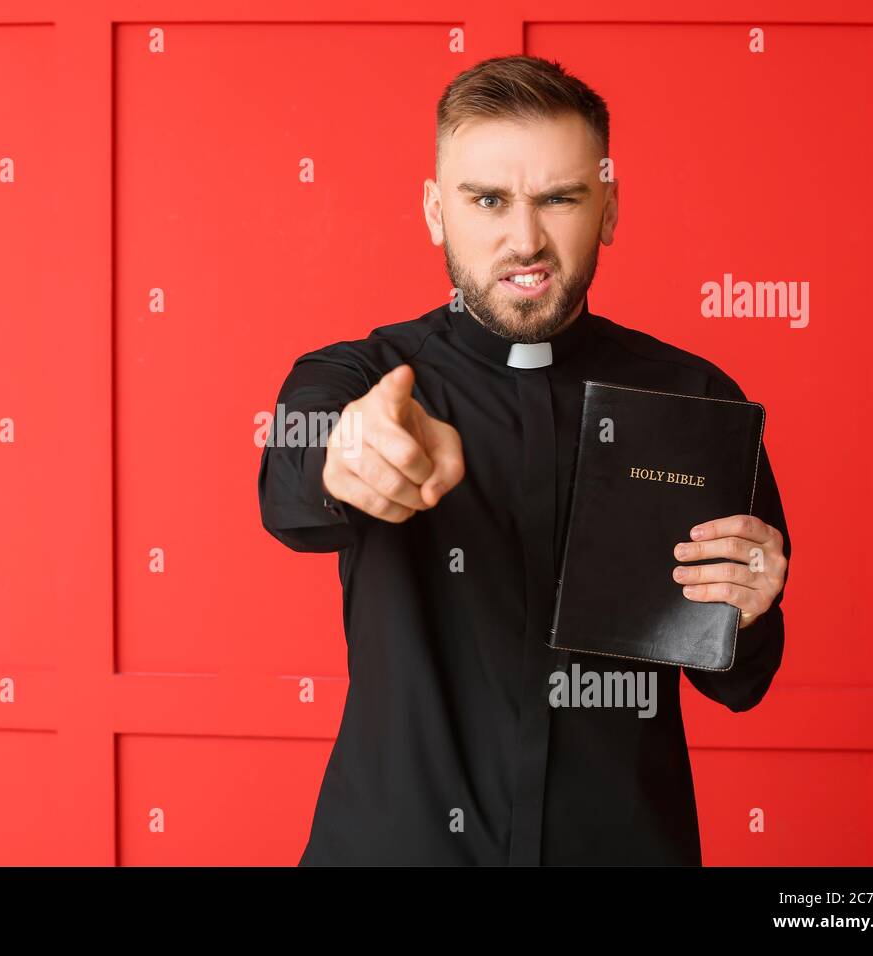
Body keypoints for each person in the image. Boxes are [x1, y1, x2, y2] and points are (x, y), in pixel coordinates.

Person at [256, 54, 791, 865]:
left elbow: (739, 681)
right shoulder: (356, 376)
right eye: (488, 200)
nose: (526, 238)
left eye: (561, 198)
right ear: (436, 212)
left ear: (608, 209)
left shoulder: (697, 398)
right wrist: (349, 456)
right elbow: (288, 489)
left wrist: (748, 609)